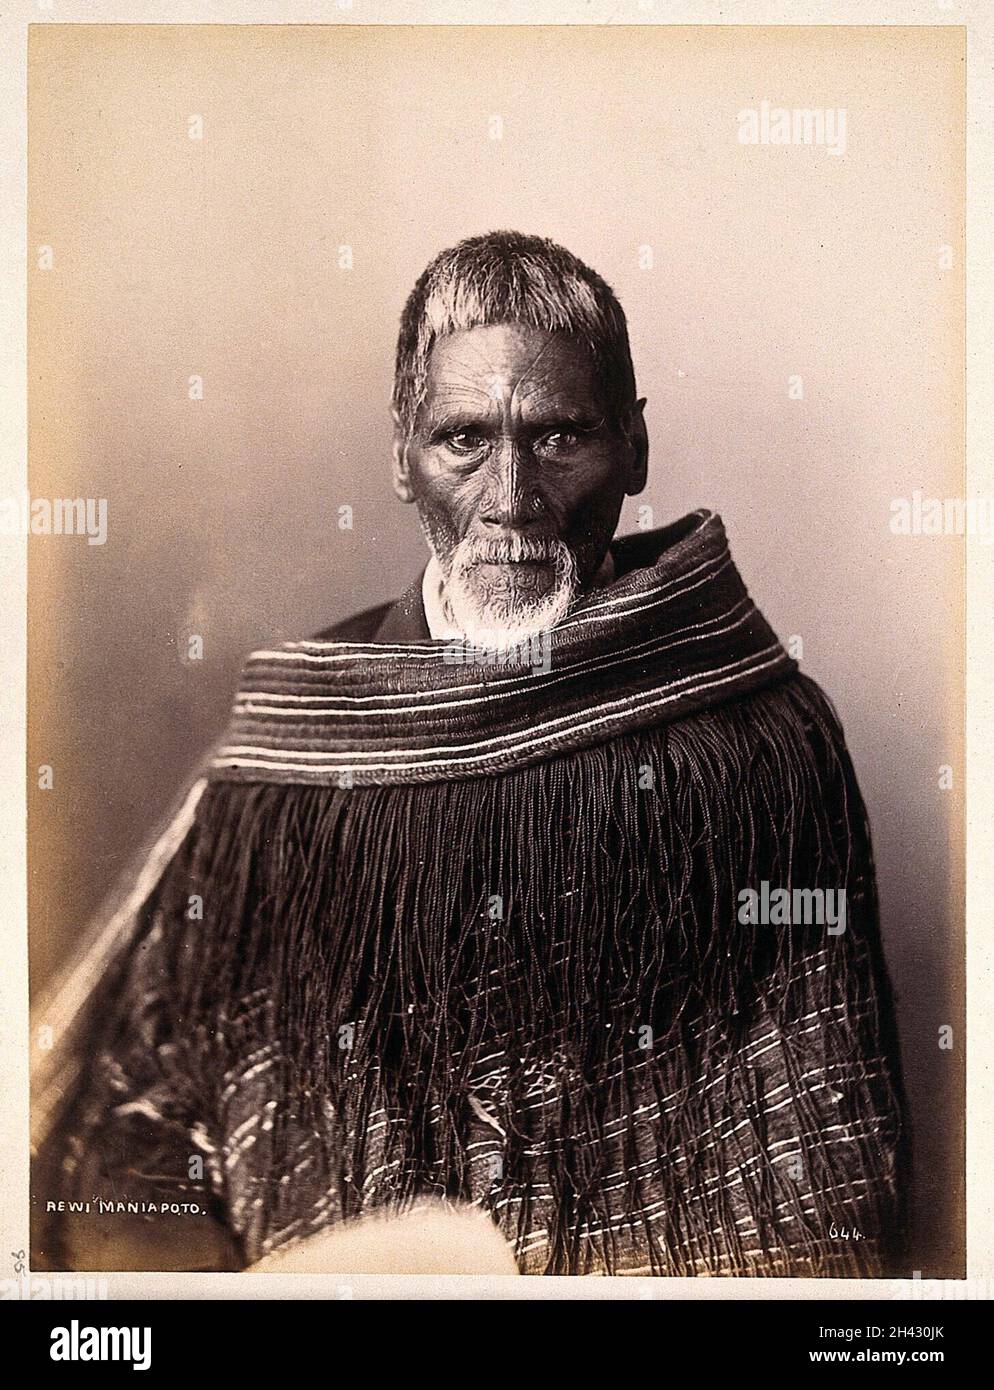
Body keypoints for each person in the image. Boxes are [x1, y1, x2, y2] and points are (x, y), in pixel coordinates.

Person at [33, 231, 907, 1276]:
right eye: (462, 441)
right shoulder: (295, 760)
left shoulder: (758, 748)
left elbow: (820, 1149)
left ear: (634, 448)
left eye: (559, 436)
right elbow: (143, 1129)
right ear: (400, 458)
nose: (510, 498)